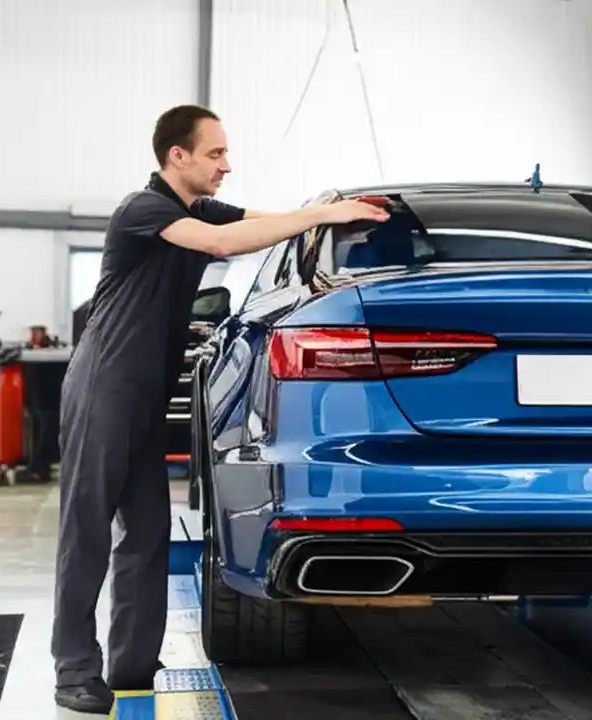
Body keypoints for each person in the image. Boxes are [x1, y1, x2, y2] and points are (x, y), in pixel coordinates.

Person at [51, 104, 389, 713]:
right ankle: (73, 669)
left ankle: (129, 663)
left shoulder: (193, 208)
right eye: (216, 153)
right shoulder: (144, 209)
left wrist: (330, 214)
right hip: (103, 387)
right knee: (87, 533)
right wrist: (323, 213)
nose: (227, 165)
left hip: (145, 396)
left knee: (148, 533)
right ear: (176, 156)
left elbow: (258, 219)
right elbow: (222, 241)